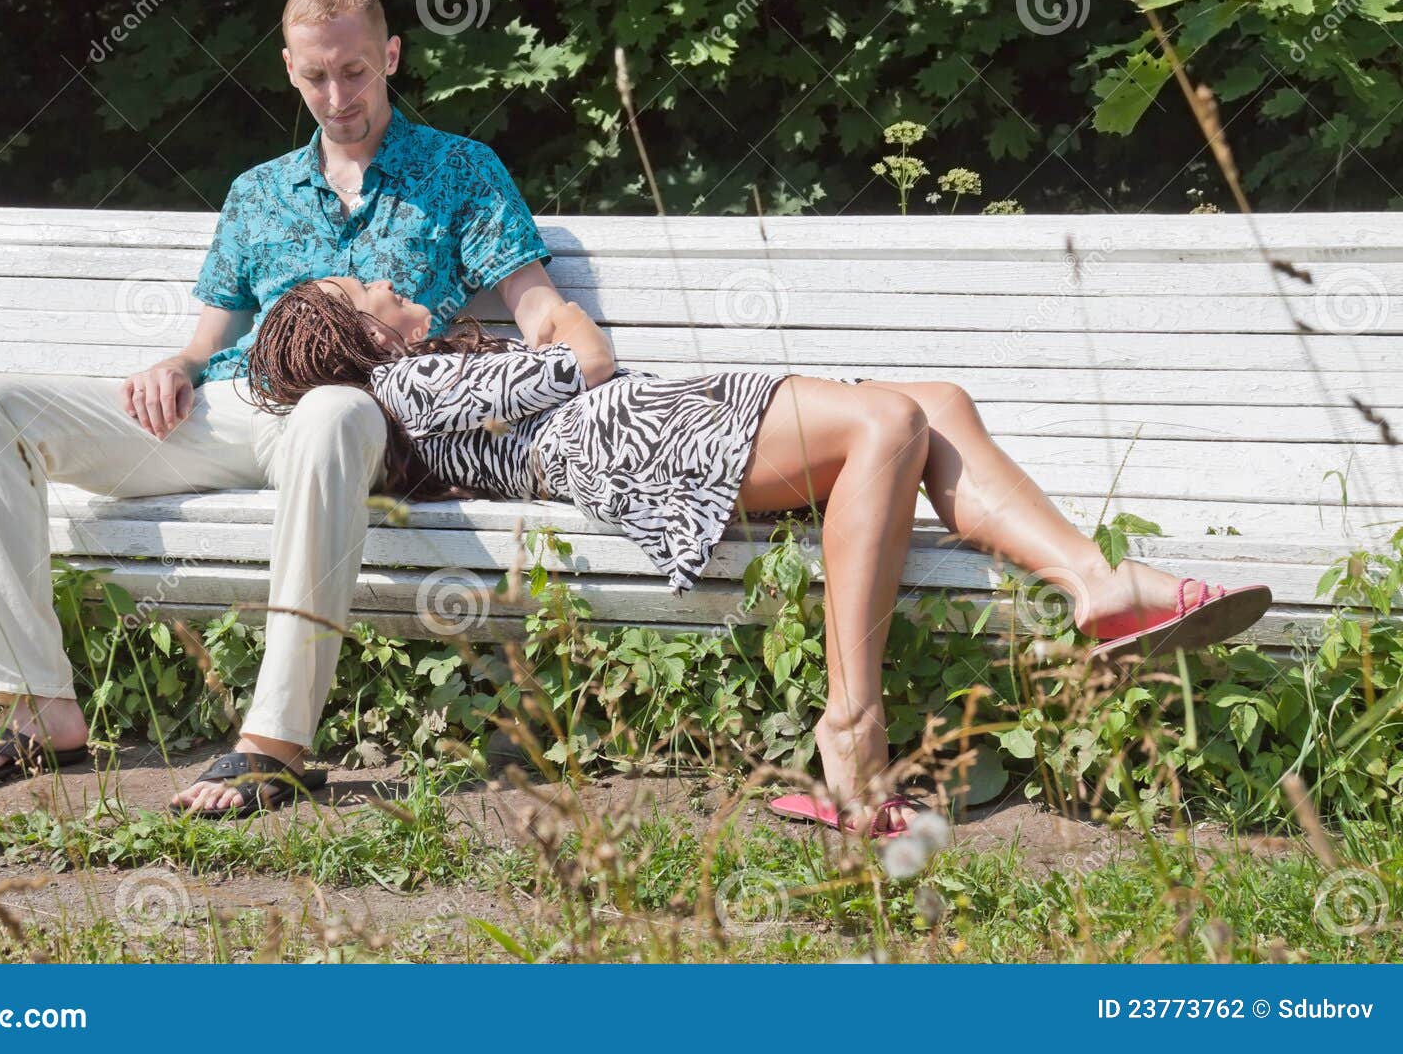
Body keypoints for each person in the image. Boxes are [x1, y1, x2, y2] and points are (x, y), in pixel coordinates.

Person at [240, 276, 1275, 836]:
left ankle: (1097, 586)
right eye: (363, 288)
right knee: (884, 425)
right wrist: (557, 324)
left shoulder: (424, 378)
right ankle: (849, 730)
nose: (384, 278)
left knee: (936, 407)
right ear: (360, 339)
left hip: (652, 423)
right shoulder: (405, 387)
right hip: (639, 438)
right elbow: (583, 361)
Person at [0, 0, 575, 815]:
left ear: (392, 56)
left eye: (355, 71)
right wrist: (178, 368)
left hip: (356, 420)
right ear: (289, 69)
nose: (337, 95)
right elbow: (212, 335)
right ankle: (34, 709)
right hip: (238, 409)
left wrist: (573, 347)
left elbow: (534, 303)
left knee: (336, 408)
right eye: (315, 76)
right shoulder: (256, 192)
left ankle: (273, 744)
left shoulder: (461, 170)